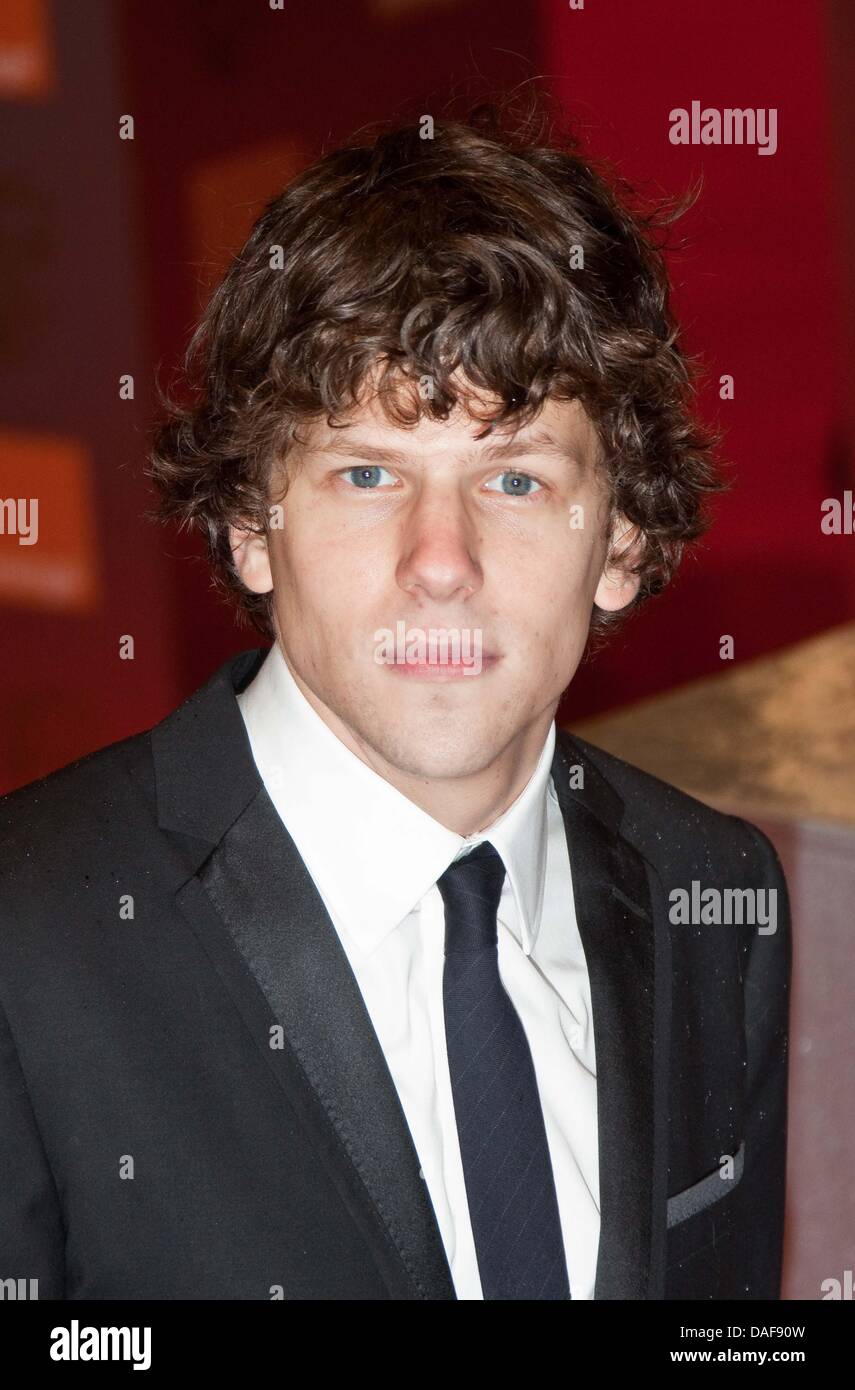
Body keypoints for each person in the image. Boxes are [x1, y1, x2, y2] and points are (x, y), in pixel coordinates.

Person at [0, 105, 789, 1300]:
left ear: (621, 539)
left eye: (514, 477)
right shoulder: (30, 941)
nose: (441, 556)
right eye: (367, 473)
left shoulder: (716, 895)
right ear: (249, 522)